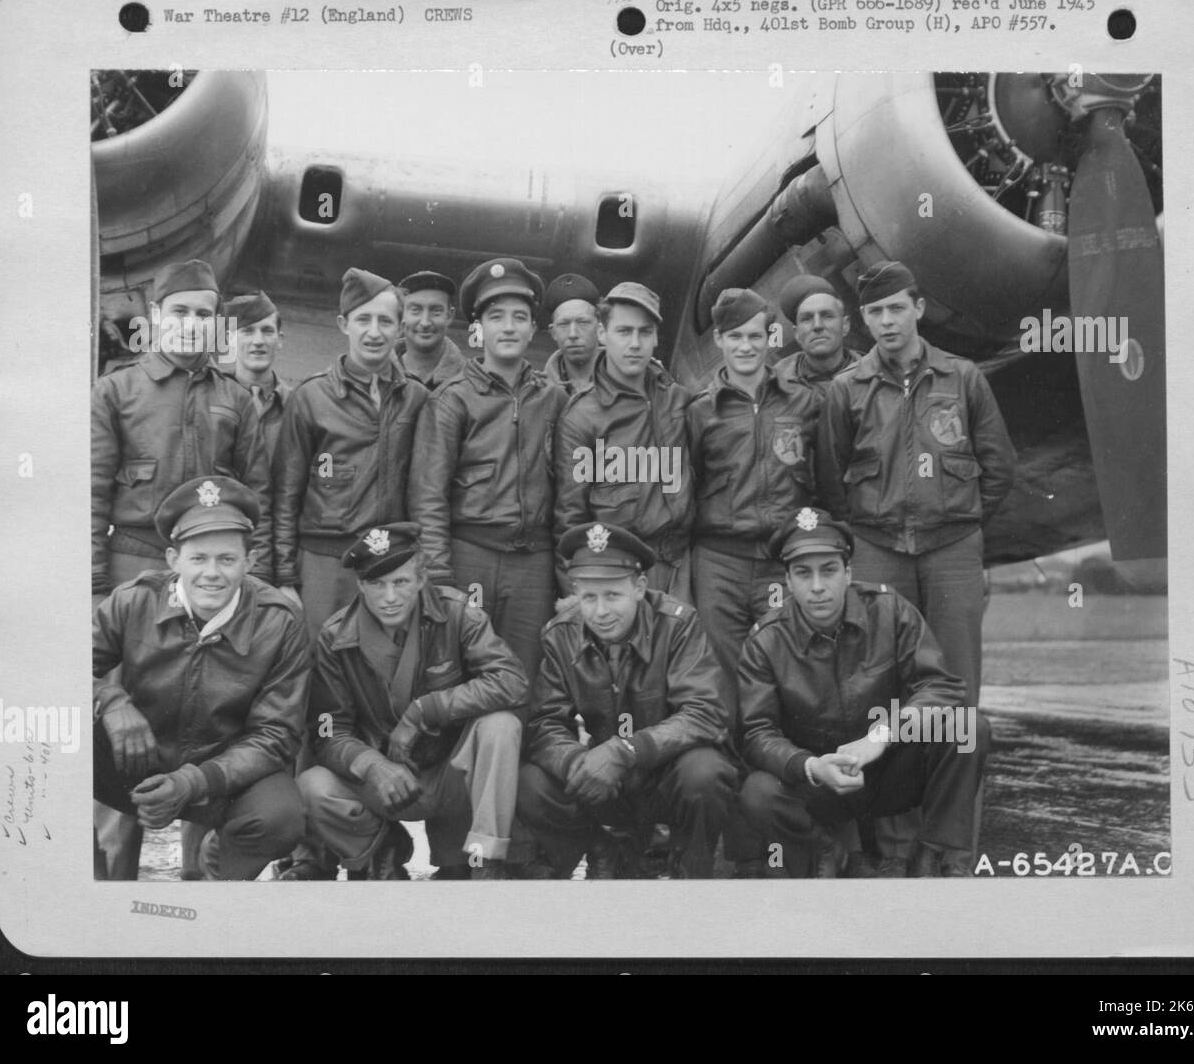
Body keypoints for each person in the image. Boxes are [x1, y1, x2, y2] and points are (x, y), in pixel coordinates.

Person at [816, 259, 1015, 867]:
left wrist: (959, 521)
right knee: (885, 688)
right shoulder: (846, 390)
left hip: (951, 548)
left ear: (918, 309)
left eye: (896, 307)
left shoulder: (964, 379)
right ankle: (896, 845)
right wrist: (871, 530)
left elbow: (999, 468)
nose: (885, 321)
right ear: (864, 319)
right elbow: (830, 480)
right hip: (878, 546)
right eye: (873, 312)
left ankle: (951, 847)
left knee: (956, 696)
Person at [737, 508, 990, 877]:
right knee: (758, 792)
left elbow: (940, 685)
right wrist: (810, 766)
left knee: (968, 728)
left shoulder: (890, 611)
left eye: (829, 570)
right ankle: (825, 848)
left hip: (889, 769)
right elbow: (758, 732)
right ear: (788, 582)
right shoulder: (766, 641)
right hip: (823, 780)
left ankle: (932, 852)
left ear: (849, 573)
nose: (818, 586)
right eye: (803, 574)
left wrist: (883, 735)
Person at [92, 477, 309, 880]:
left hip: (219, 773)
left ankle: (214, 890)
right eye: (198, 559)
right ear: (174, 559)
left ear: (251, 560)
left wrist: (192, 782)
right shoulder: (132, 600)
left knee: (280, 816)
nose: (212, 573)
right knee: (49, 738)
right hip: (134, 761)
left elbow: (277, 735)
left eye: (227, 559)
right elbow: (58, 672)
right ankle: (93, 887)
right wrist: (111, 701)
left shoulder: (280, 621)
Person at [297, 523, 529, 880]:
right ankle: (382, 849)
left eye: (401, 582)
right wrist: (372, 765)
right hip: (384, 780)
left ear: (422, 579)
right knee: (314, 785)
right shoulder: (335, 638)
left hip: (451, 772)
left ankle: (485, 861)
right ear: (360, 586)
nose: (389, 596)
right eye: (376, 584)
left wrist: (426, 710)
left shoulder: (459, 614)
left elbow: (511, 682)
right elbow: (329, 732)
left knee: (501, 726)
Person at [686, 287, 822, 877]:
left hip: (777, 560)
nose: (745, 346)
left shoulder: (806, 403)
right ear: (719, 341)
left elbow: (824, 486)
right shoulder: (699, 410)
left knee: (780, 686)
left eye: (755, 336)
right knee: (724, 691)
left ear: (772, 339)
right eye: (734, 336)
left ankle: (784, 828)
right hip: (718, 556)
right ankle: (739, 841)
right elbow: (685, 490)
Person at [517, 523, 736, 878]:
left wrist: (627, 751)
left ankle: (690, 871)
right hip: (602, 781)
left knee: (707, 773)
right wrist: (578, 763)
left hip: (664, 771)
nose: (600, 611)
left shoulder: (678, 625)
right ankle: (603, 849)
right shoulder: (561, 635)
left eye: (612, 595)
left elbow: (704, 712)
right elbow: (545, 723)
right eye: (589, 597)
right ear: (575, 592)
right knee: (530, 782)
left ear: (639, 587)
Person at [408, 257, 566, 683]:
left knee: (522, 676)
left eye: (520, 317)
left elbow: (569, 492)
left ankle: (511, 750)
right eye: (496, 317)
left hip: (532, 562)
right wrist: (439, 575)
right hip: (469, 555)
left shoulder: (554, 400)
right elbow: (429, 494)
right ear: (479, 329)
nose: (509, 327)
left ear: (534, 328)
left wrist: (565, 572)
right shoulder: (453, 399)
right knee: (456, 672)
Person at [91, 258, 273, 597]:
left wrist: (257, 582)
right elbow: (92, 494)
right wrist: (95, 582)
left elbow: (257, 496)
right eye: (179, 312)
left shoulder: (236, 399)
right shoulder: (115, 390)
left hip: (211, 569)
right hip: (133, 563)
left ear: (217, 322)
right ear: (157, 314)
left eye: (203, 315)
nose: (191, 325)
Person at [273, 267, 430, 637]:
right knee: (318, 667)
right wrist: (283, 575)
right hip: (324, 564)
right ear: (344, 324)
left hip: (388, 562)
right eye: (363, 320)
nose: (374, 332)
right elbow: (284, 495)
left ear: (400, 328)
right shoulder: (310, 397)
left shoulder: (417, 398)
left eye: (385, 321)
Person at [553, 283, 695, 601]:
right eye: (623, 331)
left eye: (645, 332)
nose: (635, 344)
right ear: (603, 335)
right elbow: (570, 516)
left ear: (657, 337)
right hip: (615, 569)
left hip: (676, 567)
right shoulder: (582, 416)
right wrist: (576, 594)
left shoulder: (678, 400)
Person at [224, 291, 290, 462]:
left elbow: (322, 460)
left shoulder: (296, 404)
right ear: (229, 340)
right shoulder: (212, 397)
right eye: (248, 331)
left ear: (280, 340)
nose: (258, 340)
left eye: (267, 331)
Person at [774, 273, 864, 393]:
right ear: (797, 333)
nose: (817, 325)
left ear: (845, 325)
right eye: (807, 319)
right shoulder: (775, 386)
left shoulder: (875, 375)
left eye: (827, 316)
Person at [396, 270, 467, 389]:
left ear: (449, 316)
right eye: (415, 310)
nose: (425, 322)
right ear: (401, 314)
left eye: (436, 311)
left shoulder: (470, 379)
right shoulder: (376, 372)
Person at [541, 272, 601, 392]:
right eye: (564, 324)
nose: (573, 334)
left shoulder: (625, 379)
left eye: (583, 323)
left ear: (600, 328)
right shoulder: (540, 390)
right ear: (553, 332)